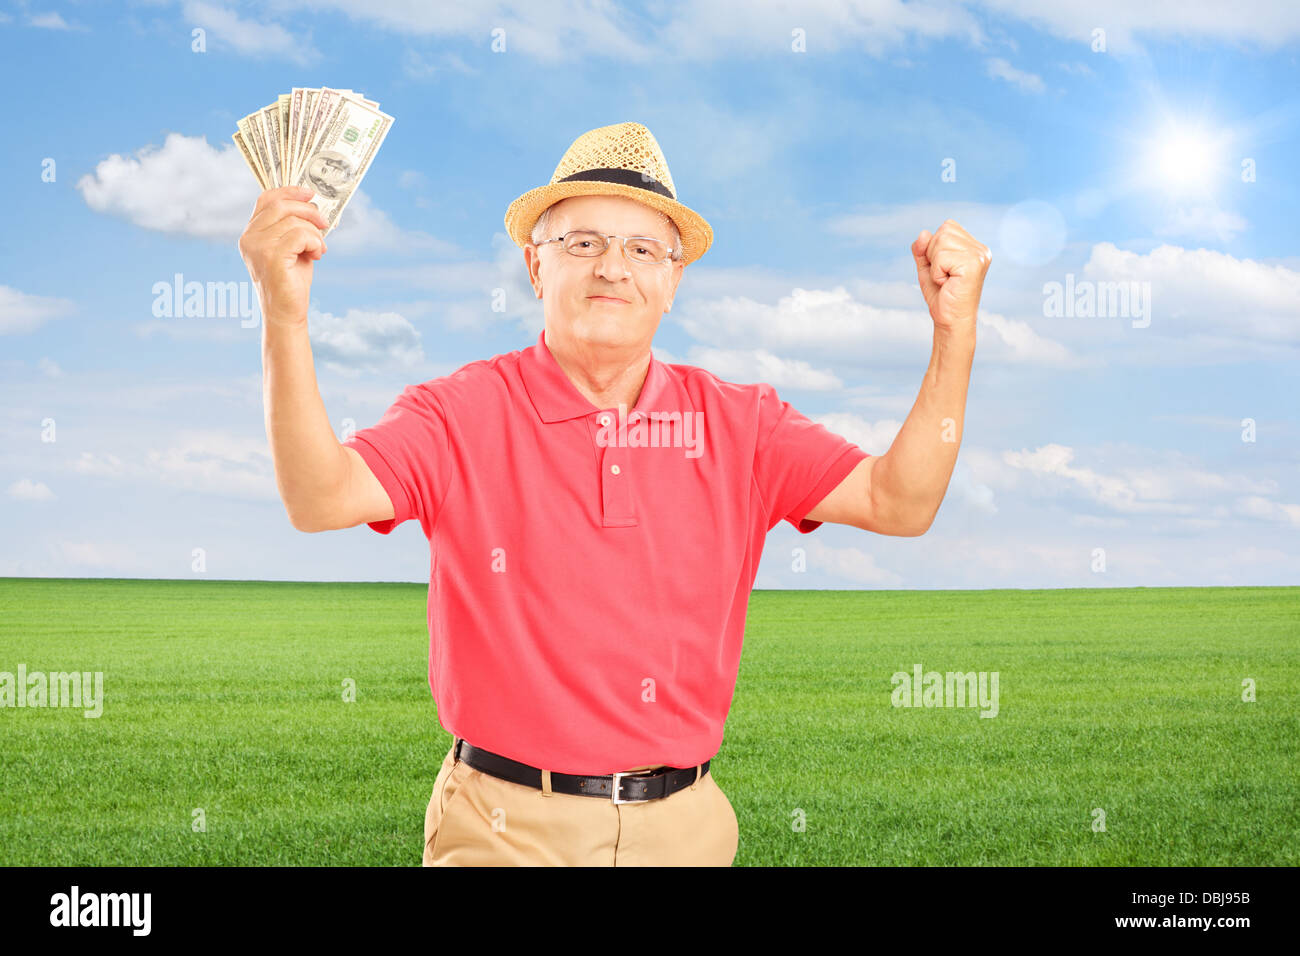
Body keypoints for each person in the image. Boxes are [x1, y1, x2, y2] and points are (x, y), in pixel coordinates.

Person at [237, 121, 991, 867]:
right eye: (583, 243)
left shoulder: (743, 423)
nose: (612, 269)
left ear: (672, 282)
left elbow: (900, 503)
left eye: (643, 250)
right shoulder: (457, 412)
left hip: (686, 831)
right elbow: (320, 497)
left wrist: (954, 333)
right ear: (536, 266)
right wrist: (284, 313)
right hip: (504, 830)